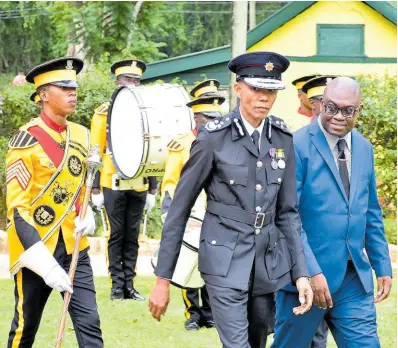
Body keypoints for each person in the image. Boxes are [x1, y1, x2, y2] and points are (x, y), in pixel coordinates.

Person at [149, 51, 313, 348]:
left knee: (256, 342)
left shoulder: (281, 137)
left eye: (271, 91)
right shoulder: (214, 138)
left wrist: (301, 274)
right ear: (238, 89)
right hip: (222, 261)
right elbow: (179, 211)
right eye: (256, 89)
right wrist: (163, 280)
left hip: (265, 263)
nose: (264, 98)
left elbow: (288, 212)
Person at [272, 77, 392, 348]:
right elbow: (287, 216)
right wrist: (310, 272)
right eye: (331, 107)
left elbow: (370, 211)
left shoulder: (364, 147)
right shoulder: (296, 144)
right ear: (320, 104)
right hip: (303, 280)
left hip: (353, 278)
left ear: (358, 111)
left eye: (347, 110)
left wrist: (382, 264)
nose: (338, 116)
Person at [6, 57, 103, 348]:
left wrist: (88, 215)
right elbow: (18, 209)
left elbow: (82, 188)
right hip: (37, 249)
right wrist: (41, 261)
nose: (73, 92)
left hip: (75, 246)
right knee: (26, 329)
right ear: (44, 95)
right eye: (64, 87)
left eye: (74, 87)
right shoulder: (25, 140)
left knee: (90, 326)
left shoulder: (82, 135)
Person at [90, 58, 157, 301]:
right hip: (112, 181)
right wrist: (95, 188)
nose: (132, 84)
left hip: (138, 182)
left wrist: (153, 188)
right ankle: (117, 284)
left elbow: (152, 149)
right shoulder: (104, 113)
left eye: (136, 81)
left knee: (133, 236)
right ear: (117, 82)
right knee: (116, 234)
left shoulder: (146, 112)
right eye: (128, 80)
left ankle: (130, 283)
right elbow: (95, 151)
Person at [161, 79, 225, 331]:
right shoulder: (181, 145)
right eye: (208, 117)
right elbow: (170, 181)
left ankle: (210, 312)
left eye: (215, 117)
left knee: (211, 264)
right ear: (196, 118)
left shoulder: (223, 141)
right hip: (191, 213)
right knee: (188, 264)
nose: (212, 122)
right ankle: (193, 313)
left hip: (216, 213)